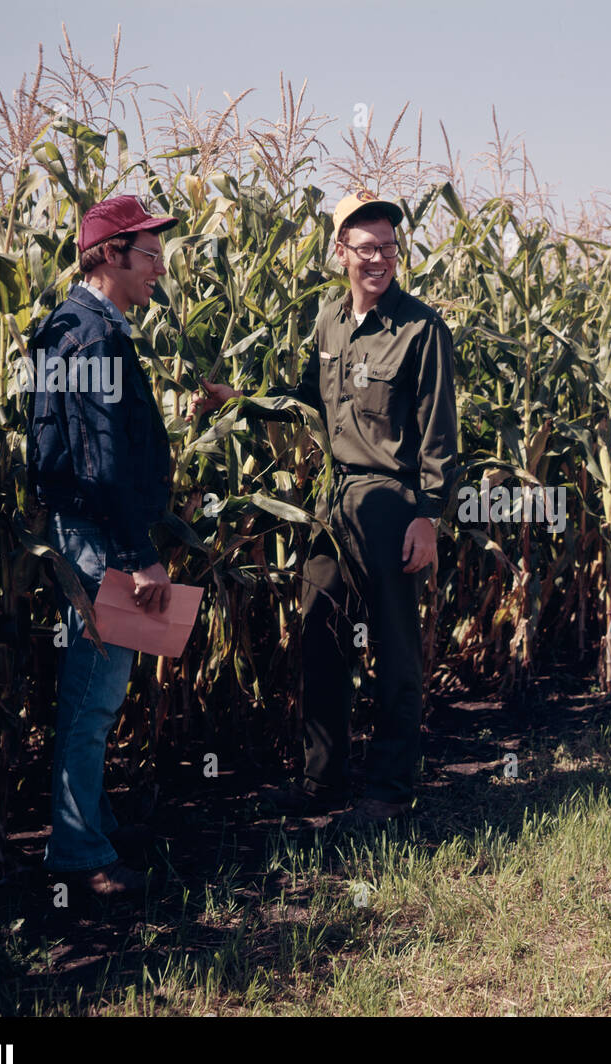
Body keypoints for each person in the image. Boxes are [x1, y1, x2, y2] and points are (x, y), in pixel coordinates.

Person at [192, 188, 458, 823]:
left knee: (395, 649)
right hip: (334, 502)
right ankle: (323, 782)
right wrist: (241, 400)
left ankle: (390, 791)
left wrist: (429, 515)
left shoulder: (422, 329)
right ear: (340, 251)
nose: (380, 259)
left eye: (389, 248)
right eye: (367, 248)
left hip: (393, 502)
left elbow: (441, 432)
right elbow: (308, 399)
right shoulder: (328, 322)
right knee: (320, 632)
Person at [27, 194, 177, 895]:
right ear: (112, 254)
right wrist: (135, 550)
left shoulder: (79, 326)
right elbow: (95, 458)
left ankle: (95, 822)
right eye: (150, 255)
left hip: (91, 533)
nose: (159, 270)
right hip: (98, 541)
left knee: (98, 689)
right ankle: (78, 853)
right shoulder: (90, 334)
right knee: (93, 695)